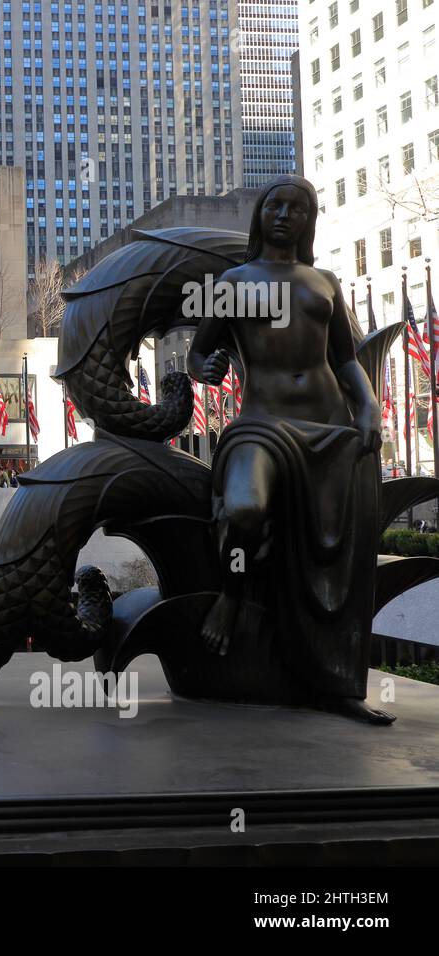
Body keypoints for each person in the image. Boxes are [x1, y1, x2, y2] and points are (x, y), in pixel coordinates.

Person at [187, 174, 390, 724]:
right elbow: (198, 353)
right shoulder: (233, 281)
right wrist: (203, 369)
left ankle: (338, 685)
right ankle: (231, 596)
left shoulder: (323, 281)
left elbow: (345, 359)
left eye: (296, 208)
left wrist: (368, 407)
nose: (283, 214)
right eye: (273, 205)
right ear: (259, 216)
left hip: (329, 426)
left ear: (309, 220)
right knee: (245, 507)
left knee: (338, 556)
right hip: (262, 423)